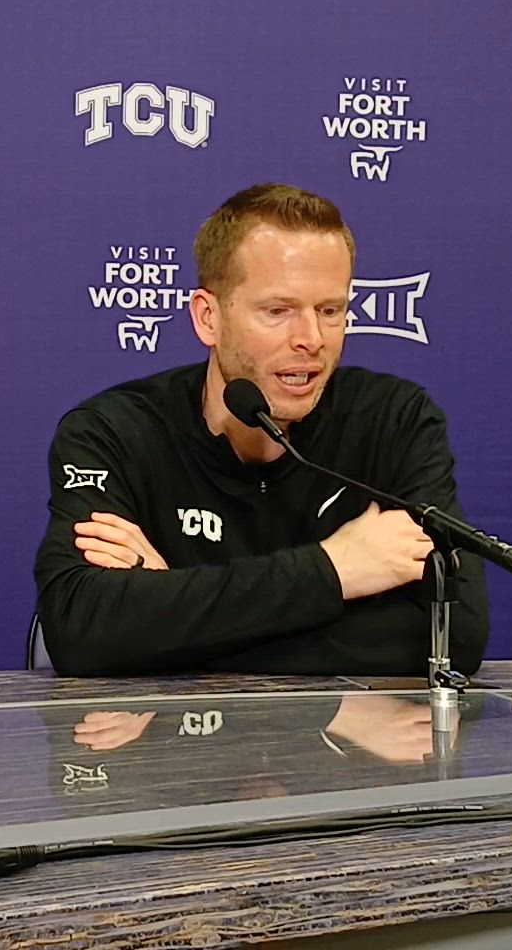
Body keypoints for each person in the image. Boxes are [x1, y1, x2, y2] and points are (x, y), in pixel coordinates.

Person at [33, 183, 488, 676]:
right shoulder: (111, 432)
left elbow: (453, 633)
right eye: (278, 311)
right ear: (209, 318)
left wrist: (176, 619)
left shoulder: (395, 420)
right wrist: (334, 571)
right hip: (169, 747)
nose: (311, 340)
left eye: (330, 311)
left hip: (345, 750)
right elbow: (81, 629)